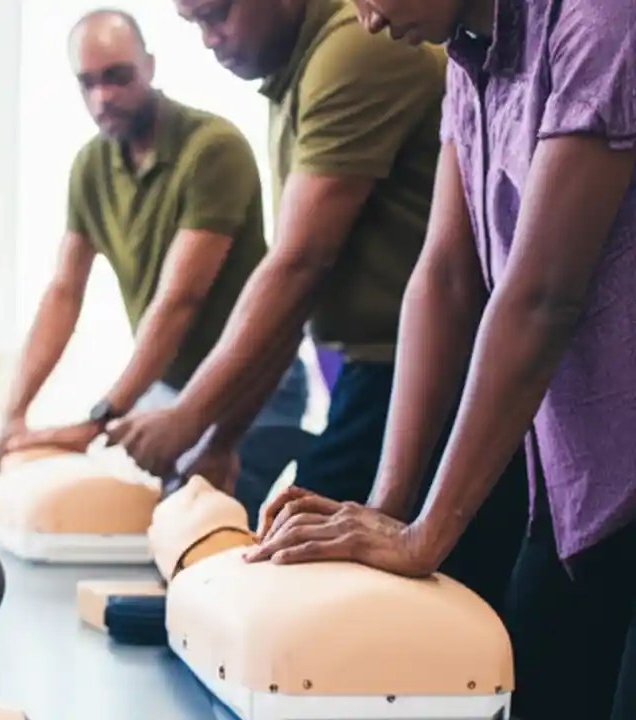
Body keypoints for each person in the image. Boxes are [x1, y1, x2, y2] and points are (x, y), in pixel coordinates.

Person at [245, 1, 636, 718]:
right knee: (544, 667)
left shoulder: (602, 19)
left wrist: (427, 534)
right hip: (577, 475)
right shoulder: (468, 54)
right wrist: (385, 506)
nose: (364, 18)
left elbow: (542, 296)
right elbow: (446, 276)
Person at [108, 0, 527, 609]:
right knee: (290, 565)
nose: (209, 39)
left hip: (439, 378)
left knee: (303, 583)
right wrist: (221, 436)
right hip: (380, 372)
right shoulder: (300, 73)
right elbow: (297, 297)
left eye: (218, 14)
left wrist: (188, 417)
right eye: (193, 24)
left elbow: (300, 268)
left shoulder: (357, 51)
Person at [0, 10, 308, 501]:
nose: (104, 97)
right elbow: (63, 291)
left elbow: (180, 298)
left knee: (204, 523)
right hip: (170, 383)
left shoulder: (212, 149)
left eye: (118, 76)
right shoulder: (91, 166)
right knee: (128, 507)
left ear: (151, 66)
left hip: (250, 382)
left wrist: (101, 416)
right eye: (88, 83)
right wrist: (13, 416)